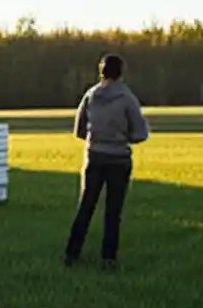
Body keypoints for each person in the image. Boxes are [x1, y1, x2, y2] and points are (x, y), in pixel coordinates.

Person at [63, 53, 149, 271]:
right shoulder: (127, 98)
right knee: (113, 211)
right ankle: (108, 258)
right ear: (121, 73)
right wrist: (121, 136)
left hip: (94, 156)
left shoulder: (90, 96)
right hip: (119, 159)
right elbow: (140, 133)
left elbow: (79, 130)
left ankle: (72, 253)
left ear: (101, 72)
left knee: (86, 206)